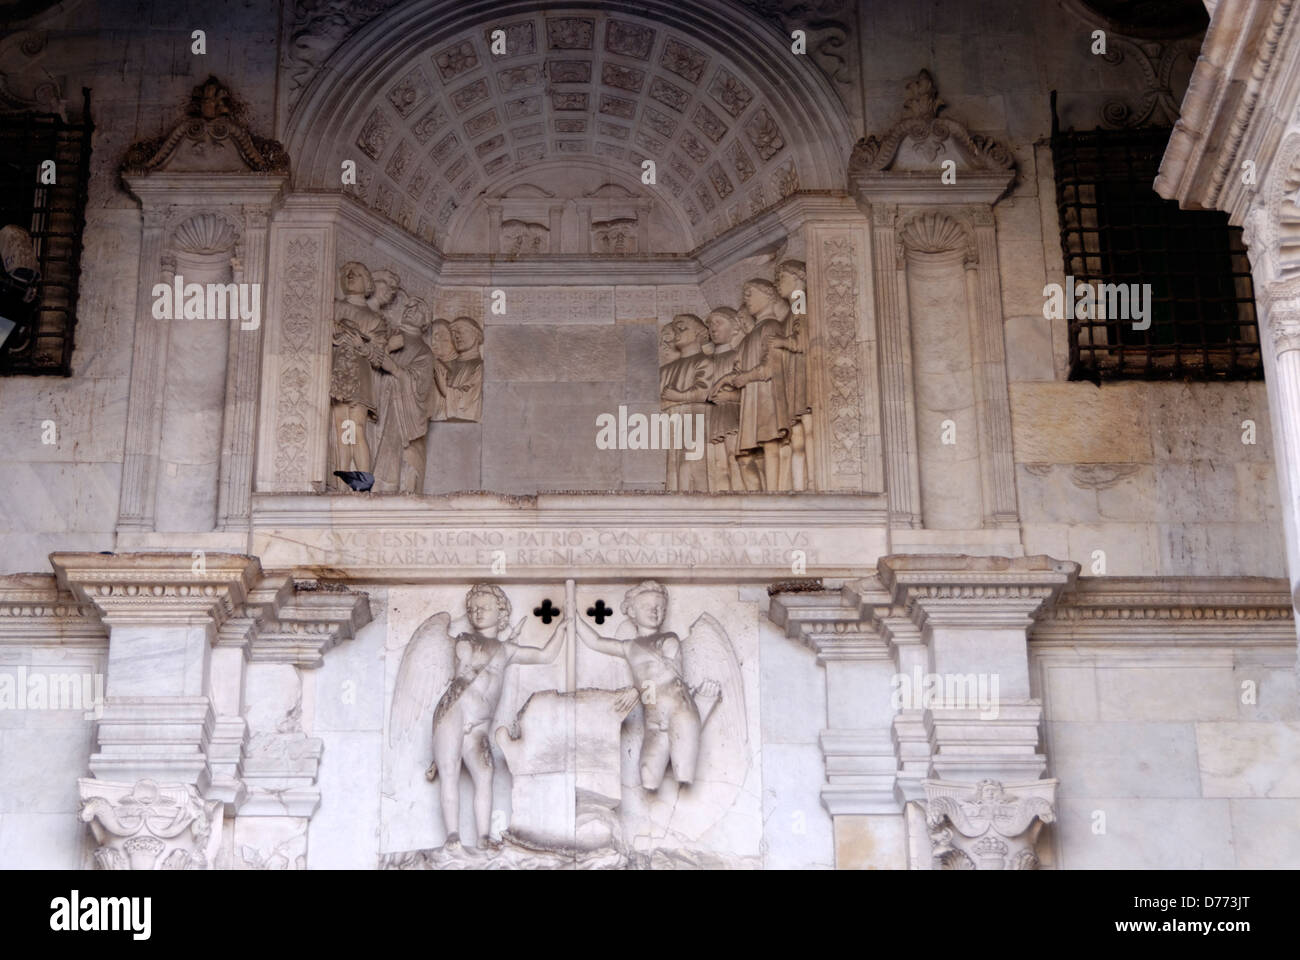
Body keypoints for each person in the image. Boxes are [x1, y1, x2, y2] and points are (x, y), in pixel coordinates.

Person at [428, 584, 567, 850]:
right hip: (454, 710)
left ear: (501, 612)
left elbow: (545, 655)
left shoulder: (507, 650)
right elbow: (465, 662)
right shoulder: (465, 640)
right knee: (450, 771)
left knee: (485, 773)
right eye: (473, 608)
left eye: (486, 607)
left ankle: (482, 837)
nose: (478, 612)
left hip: (480, 723)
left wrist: (560, 630)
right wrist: (493, 648)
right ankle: (453, 836)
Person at [575, 581, 718, 791]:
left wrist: (636, 689)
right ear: (632, 611)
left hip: (679, 712)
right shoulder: (628, 647)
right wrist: (574, 619)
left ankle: (702, 706)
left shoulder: (668, 639)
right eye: (647, 606)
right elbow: (595, 641)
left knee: (684, 775)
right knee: (648, 776)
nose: (654, 610)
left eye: (660, 607)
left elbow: (664, 672)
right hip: (654, 721)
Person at [708, 278, 791, 491]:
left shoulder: (771, 326)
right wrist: (728, 379)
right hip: (751, 400)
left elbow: (772, 366)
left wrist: (745, 378)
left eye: (750, 293)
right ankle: (760, 494)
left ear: (768, 295)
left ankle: (774, 493)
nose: (746, 298)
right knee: (745, 455)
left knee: (770, 446)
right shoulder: (749, 338)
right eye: (744, 294)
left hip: (767, 395)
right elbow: (739, 369)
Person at [329, 261, 388, 487]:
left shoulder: (374, 319)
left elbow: (379, 355)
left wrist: (361, 344)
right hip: (338, 375)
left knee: (357, 427)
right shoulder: (334, 307)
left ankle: (363, 486)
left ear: (367, 282)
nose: (350, 276)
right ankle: (342, 487)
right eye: (347, 273)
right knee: (342, 428)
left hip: (359, 376)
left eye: (357, 273)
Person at [372, 297, 435, 493]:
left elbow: (420, 387)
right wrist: (387, 348)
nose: (410, 310)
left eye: (417, 309)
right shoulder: (390, 336)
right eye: (409, 307)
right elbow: (369, 361)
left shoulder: (424, 351)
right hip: (379, 400)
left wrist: (395, 370)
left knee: (392, 445)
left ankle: (385, 486)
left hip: (399, 407)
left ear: (424, 321)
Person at [658, 313, 712, 492]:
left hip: (697, 418)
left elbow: (703, 392)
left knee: (690, 464)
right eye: (674, 328)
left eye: (682, 327)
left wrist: (678, 396)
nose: (676, 331)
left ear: (699, 333)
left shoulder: (705, 362)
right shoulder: (666, 369)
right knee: (674, 468)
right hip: (675, 419)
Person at [775, 260, 814, 491]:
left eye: (782, 278)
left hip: (801, 373)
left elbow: (802, 340)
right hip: (793, 373)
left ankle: (809, 482)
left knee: (804, 428)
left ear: (797, 277)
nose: (778, 284)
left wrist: (782, 342)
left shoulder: (800, 300)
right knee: (798, 432)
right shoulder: (793, 307)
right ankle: (799, 485)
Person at [702, 307, 747, 492]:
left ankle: (741, 497)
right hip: (713, 415)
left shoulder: (738, 356)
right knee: (716, 462)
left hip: (732, 413)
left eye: (719, 322)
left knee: (734, 457)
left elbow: (753, 389)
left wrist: (731, 396)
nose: (713, 327)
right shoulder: (705, 361)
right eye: (710, 324)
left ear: (734, 328)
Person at [445, 316, 484, 421]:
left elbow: (466, 401)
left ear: (476, 334)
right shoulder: (445, 365)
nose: (456, 336)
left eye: (461, 331)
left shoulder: (481, 368)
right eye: (453, 333)